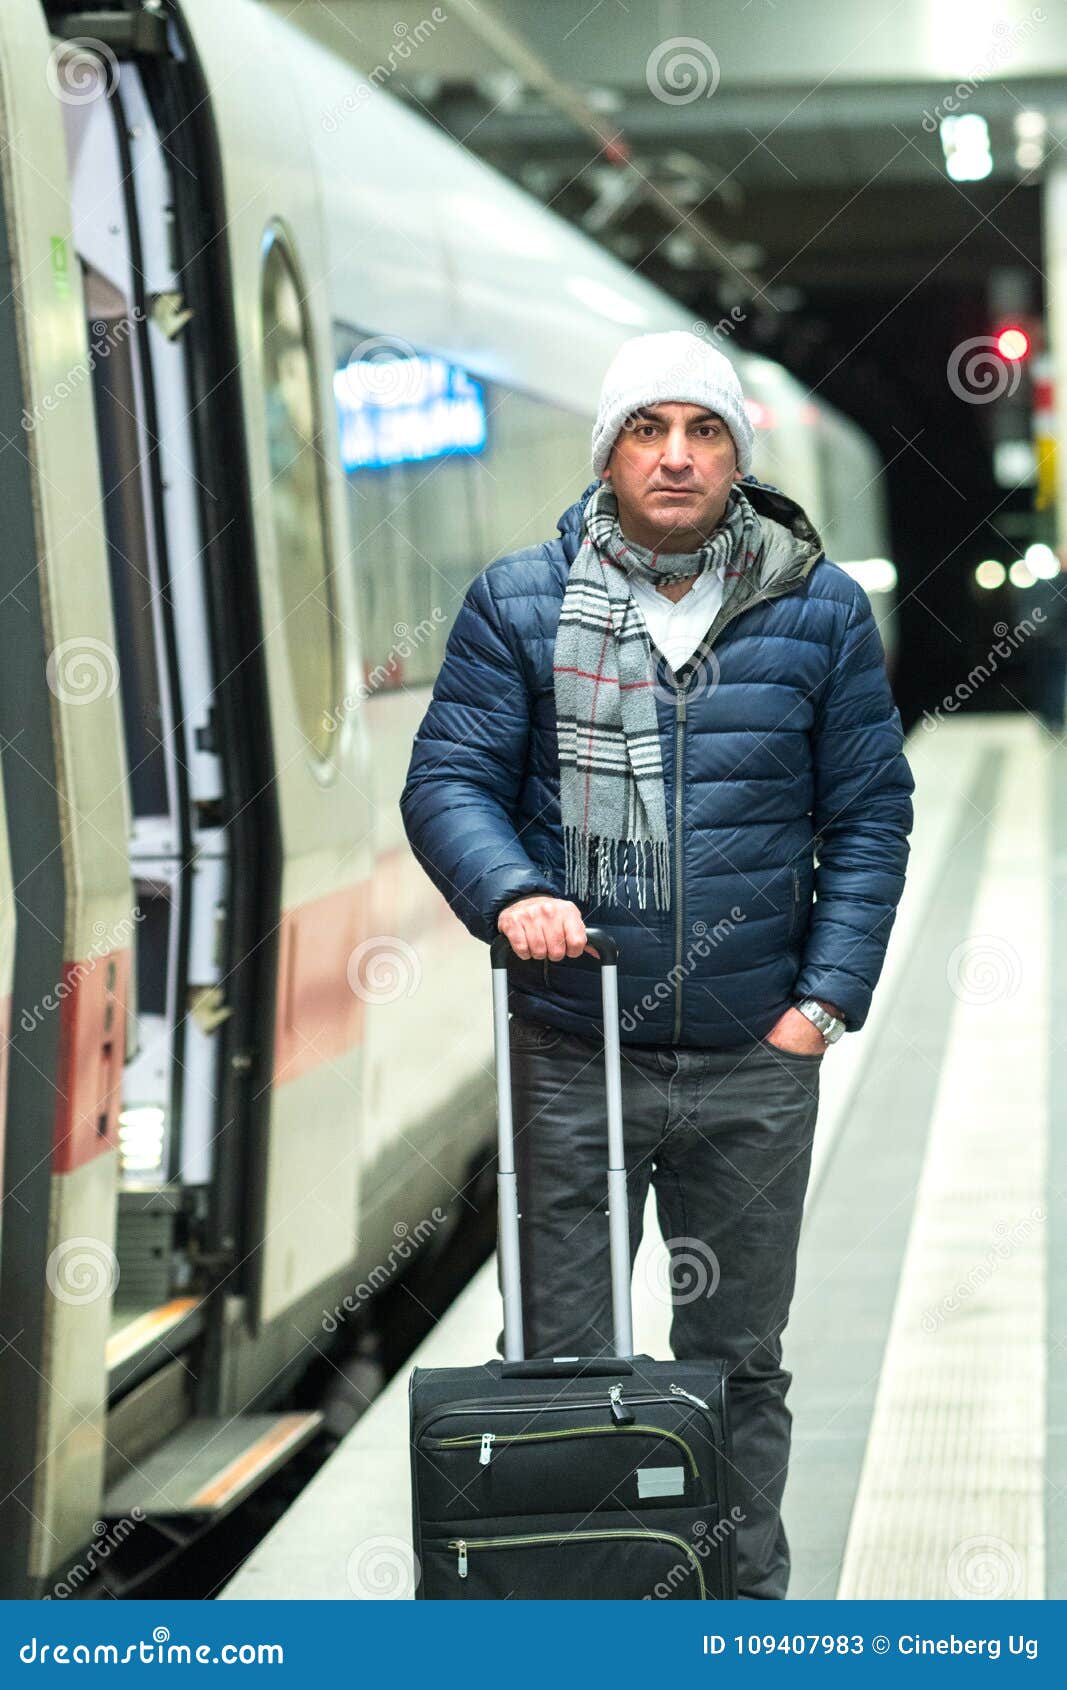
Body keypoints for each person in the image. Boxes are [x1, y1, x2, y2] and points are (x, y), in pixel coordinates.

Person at [400, 328, 914, 1599]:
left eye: (702, 430)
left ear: (737, 453)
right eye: (646, 429)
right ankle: (586, 1621)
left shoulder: (816, 609)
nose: (674, 455)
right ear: (609, 453)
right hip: (572, 1048)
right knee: (563, 1359)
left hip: (753, 1055)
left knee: (738, 1357)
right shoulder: (518, 601)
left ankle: (734, 1616)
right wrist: (511, 891)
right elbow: (448, 778)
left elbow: (866, 813)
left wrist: (821, 1004)